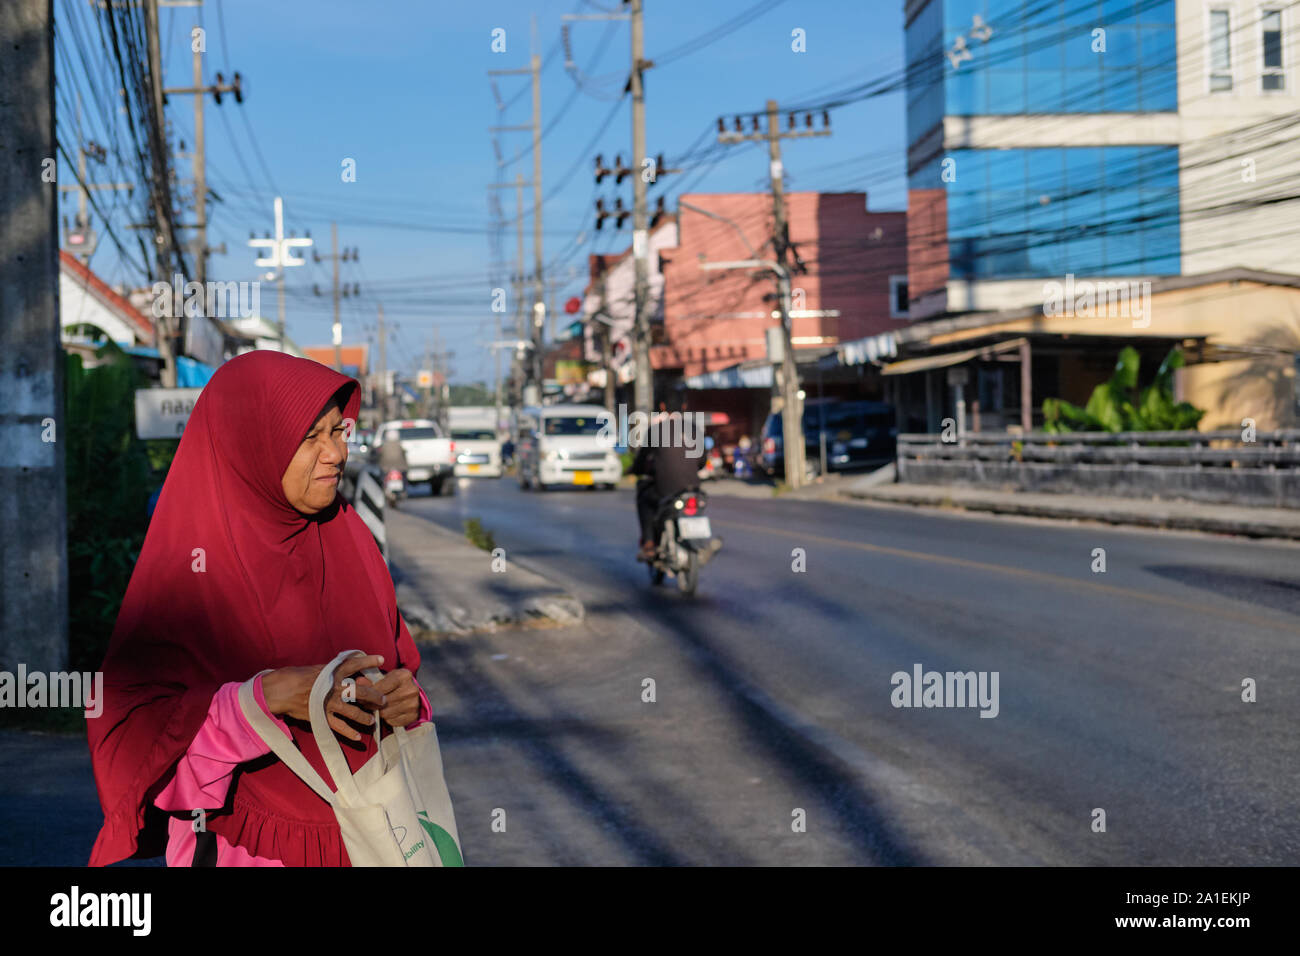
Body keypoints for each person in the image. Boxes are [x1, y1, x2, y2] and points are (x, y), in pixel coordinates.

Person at [86, 351, 432, 867]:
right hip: (242, 847)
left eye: (339, 430)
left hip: (377, 839)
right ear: (252, 444)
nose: (336, 453)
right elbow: (143, 742)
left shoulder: (350, 539)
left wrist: (407, 702)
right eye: (310, 437)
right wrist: (263, 699)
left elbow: (398, 668)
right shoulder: (193, 566)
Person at [630, 428, 703, 562]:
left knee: (644, 498)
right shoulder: (692, 429)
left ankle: (649, 544)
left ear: (662, 406)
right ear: (685, 407)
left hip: (665, 490)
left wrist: (635, 469)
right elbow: (703, 459)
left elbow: (642, 457)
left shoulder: (657, 430)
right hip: (693, 488)